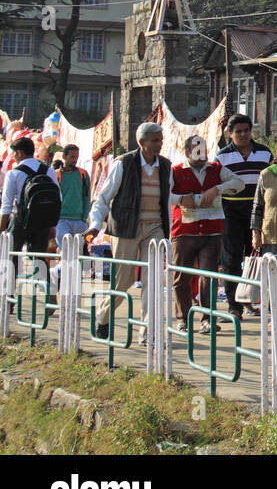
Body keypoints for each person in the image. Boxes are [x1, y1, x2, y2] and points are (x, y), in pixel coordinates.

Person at [88, 122, 174, 338]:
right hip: (127, 227)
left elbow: (169, 199)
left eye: (160, 140)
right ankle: (103, 316)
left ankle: (148, 332)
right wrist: (95, 226)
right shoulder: (123, 164)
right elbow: (104, 198)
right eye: (155, 140)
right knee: (123, 281)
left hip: (155, 228)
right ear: (142, 142)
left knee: (152, 281)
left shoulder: (165, 166)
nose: (159, 144)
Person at [170, 134, 244, 332]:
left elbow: (238, 183)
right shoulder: (176, 171)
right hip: (184, 231)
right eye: (196, 150)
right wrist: (180, 199)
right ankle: (183, 318)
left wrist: (217, 189)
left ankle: (207, 317)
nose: (201, 155)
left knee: (208, 276)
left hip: (211, 231)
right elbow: (165, 195)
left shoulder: (217, 169)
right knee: (182, 276)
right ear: (187, 152)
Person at [216, 114, 272, 321]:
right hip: (230, 212)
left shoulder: (264, 153)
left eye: (246, 130)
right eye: (238, 131)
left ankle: (251, 301)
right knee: (231, 259)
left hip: (258, 212)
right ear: (229, 134)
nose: (243, 135)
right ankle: (234, 306)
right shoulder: (222, 156)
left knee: (254, 258)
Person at [0, 136, 62, 279]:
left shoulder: (14, 173)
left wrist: (2, 228)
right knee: (39, 258)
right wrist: (53, 225)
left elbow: (7, 205)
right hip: (43, 222)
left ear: (20, 153)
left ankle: (9, 296)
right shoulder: (48, 171)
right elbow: (58, 199)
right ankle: (47, 293)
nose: (14, 157)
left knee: (10, 256)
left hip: (20, 221)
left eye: (15, 153)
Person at [54, 144, 92, 253]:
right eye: (72, 157)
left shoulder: (83, 174)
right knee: (65, 252)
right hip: (62, 220)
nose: (75, 160)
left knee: (80, 253)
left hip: (79, 221)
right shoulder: (56, 175)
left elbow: (86, 196)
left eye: (76, 157)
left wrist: (84, 217)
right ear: (64, 156)